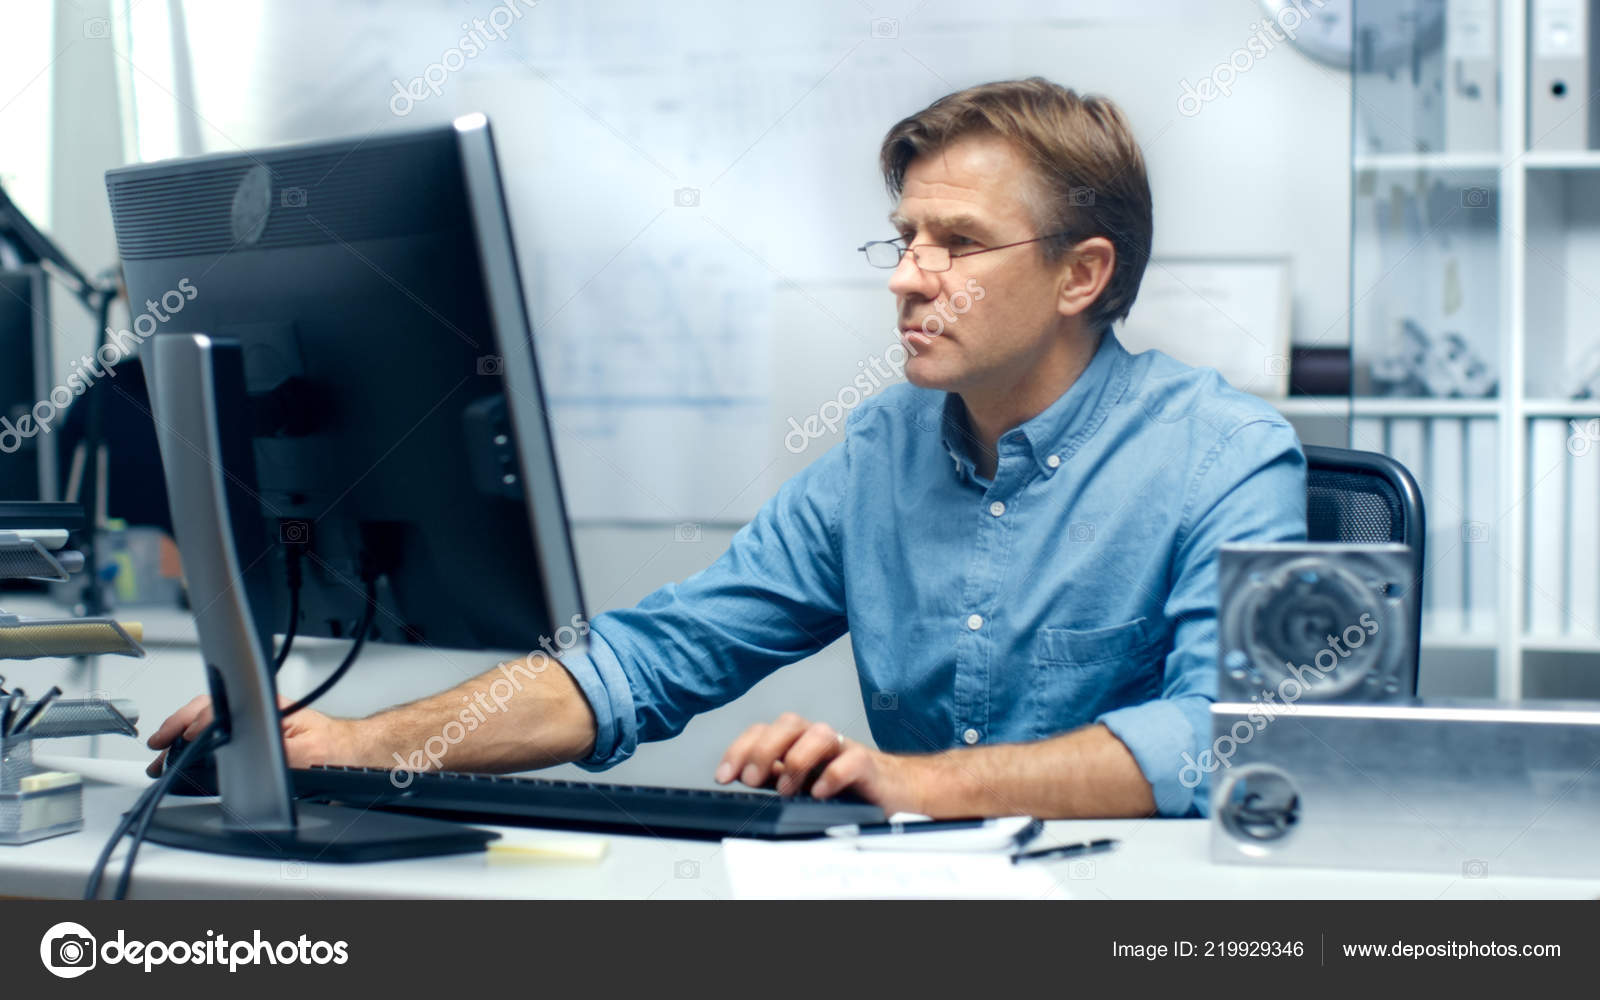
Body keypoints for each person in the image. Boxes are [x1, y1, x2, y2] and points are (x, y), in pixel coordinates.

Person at [149, 77, 1306, 819]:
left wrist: (913, 782)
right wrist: (355, 742)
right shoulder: (882, 452)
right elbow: (648, 660)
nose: (907, 275)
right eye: (901, 237)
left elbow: (1229, 736)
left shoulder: (1226, 456)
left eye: (957, 241)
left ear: (1082, 273)